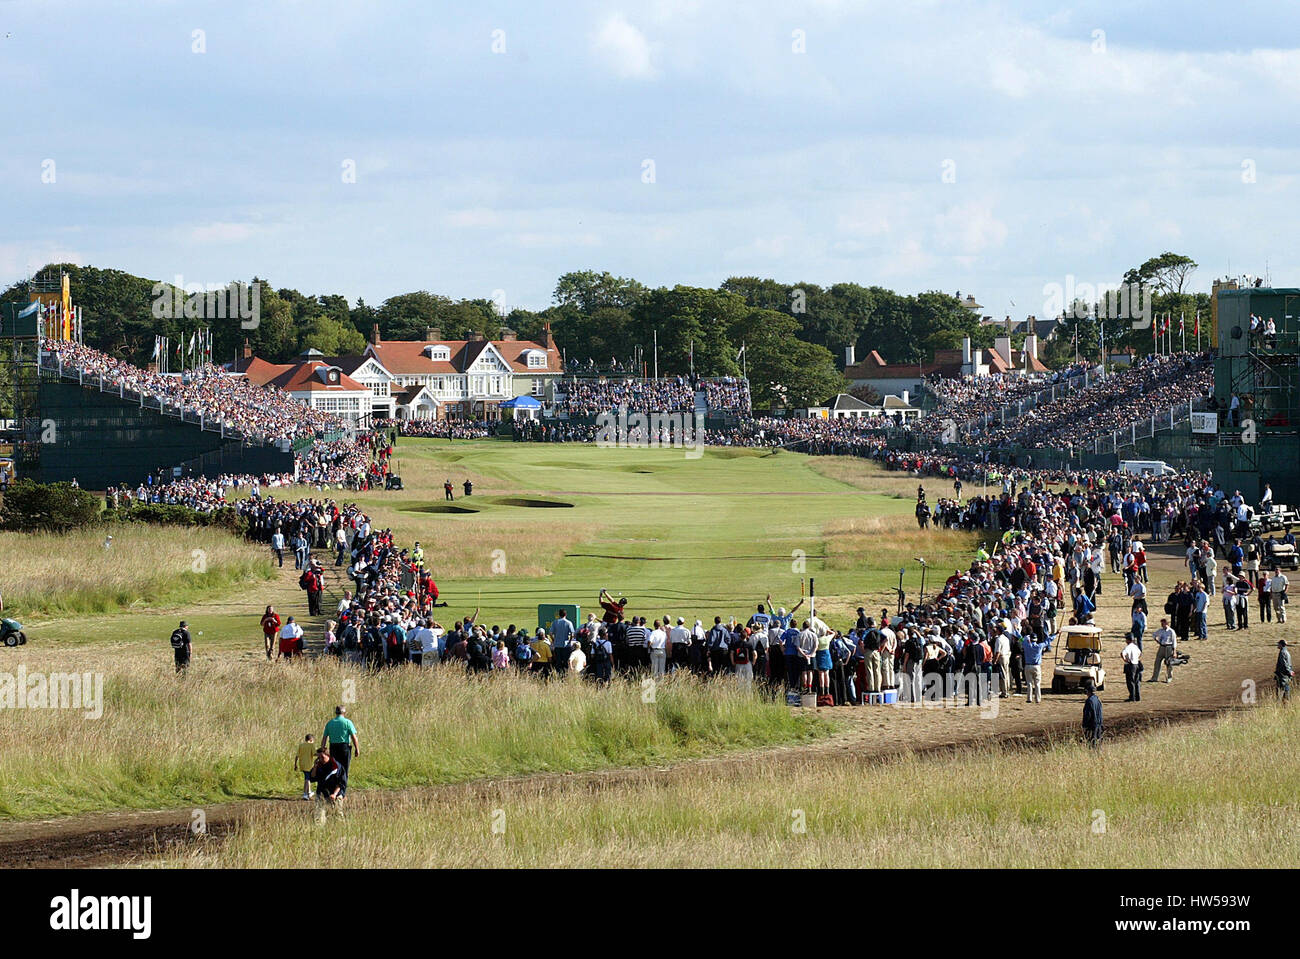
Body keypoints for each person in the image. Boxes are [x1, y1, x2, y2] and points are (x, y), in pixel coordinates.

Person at [322, 705, 360, 797]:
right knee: (344, 770)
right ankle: (341, 793)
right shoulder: (347, 722)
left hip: (333, 748)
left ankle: (334, 791)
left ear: (336, 713)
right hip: (344, 748)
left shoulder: (330, 723)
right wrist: (357, 749)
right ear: (344, 713)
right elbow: (354, 737)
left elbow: (324, 738)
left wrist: (322, 750)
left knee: (335, 769)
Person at [309, 748, 346, 824]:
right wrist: (315, 767)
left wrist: (334, 794)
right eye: (319, 757)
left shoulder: (336, 766)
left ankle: (340, 829)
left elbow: (341, 783)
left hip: (335, 794)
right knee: (319, 815)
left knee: (338, 815)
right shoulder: (319, 766)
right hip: (322, 793)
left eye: (322, 757)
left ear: (328, 755)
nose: (320, 759)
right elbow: (312, 777)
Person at [1020, 630, 1051, 703]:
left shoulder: (1026, 645)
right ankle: (1038, 699)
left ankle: (1029, 698)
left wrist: (1016, 630)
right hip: (1036, 666)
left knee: (1029, 683)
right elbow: (1048, 641)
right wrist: (1055, 634)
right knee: (1037, 684)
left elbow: (1020, 638)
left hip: (1028, 666)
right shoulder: (1039, 646)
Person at [1149, 618, 1176, 683]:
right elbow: (1154, 635)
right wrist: (1157, 640)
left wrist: (1174, 651)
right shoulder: (1160, 630)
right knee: (1157, 662)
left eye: (1163, 623)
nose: (1162, 625)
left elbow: (1174, 641)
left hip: (1168, 647)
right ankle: (1154, 677)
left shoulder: (1171, 631)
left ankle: (1169, 678)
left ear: (1166, 624)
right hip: (1162, 647)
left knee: (1168, 663)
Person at [294, 733, 317, 800]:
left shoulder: (301, 745)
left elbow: (297, 756)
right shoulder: (311, 745)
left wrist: (295, 764)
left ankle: (309, 792)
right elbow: (314, 753)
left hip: (302, 764)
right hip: (308, 765)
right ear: (311, 740)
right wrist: (321, 754)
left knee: (308, 777)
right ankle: (305, 794)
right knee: (307, 779)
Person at [1081, 679, 1103, 748]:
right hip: (1099, 724)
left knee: (1091, 744)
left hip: (1092, 726)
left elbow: (1087, 715)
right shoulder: (1098, 699)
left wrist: (1084, 726)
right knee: (1098, 743)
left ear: (1088, 691)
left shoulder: (1089, 701)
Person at [1121, 633, 1142, 701]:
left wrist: (1125, 659)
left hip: (1130, 665)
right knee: (1136, 681)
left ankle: (1132, 697)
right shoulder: (1135, 646)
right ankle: (1137, 696)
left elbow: (1122, 653)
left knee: (1130, 682)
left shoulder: (1128, 647)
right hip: (1137, 664)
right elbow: (1140, 653)